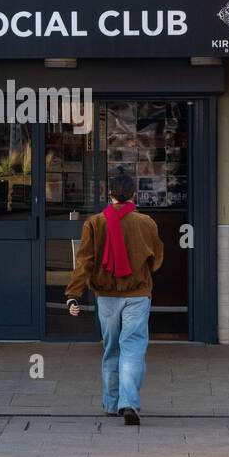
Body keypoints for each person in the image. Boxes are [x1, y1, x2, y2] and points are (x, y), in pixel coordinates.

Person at [65, 172, 164, 425]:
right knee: (133, 349)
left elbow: (84, 261)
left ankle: (111, 404)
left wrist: (73, 294)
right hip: (138, 296)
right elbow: (157, 260)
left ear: (109, 194)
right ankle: (129, 402)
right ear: (133, 195)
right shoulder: (147, 223)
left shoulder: (95, 223)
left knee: (111, 349)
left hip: (106, 297)